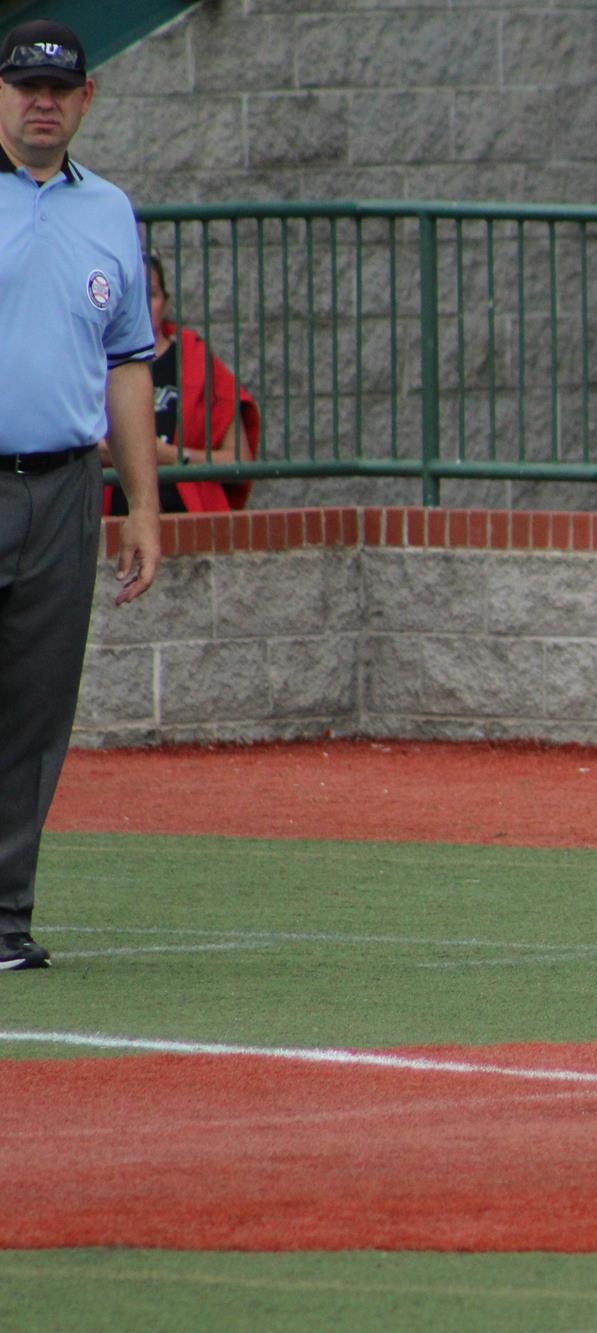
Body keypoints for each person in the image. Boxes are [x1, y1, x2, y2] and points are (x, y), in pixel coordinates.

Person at [0, 19, 161, 972]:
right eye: (26, 86)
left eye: (59, 90)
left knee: (36, 708)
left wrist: (141, 505)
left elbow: (128, 363)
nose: (42, 103)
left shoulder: (109, 210)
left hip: (64, 486)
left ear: (86, 100)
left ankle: (4, 918)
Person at [103, 251, 262, 517]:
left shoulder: (195, 361)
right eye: (132, 294)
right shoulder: (95, 361)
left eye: (151, 295)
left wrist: (167, 454)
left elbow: (240, 464)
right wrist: (149, 452)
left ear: (165, 303)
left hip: (187, 518)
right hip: (113, 516)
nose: (142, 305)